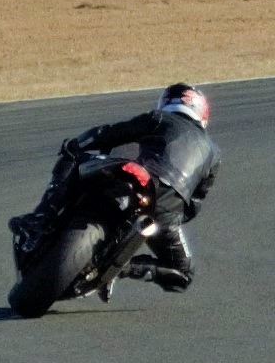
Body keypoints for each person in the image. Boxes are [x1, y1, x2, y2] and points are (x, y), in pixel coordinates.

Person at [17, 84, 220, 292]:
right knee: (183, 273)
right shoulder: (214, 154)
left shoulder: (159, 118)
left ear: (166, 103)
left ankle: (41, 218)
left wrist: (76, 144)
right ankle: (123, 268)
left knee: (74, 159)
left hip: (138, 178)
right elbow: (194, 204)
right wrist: (171, 218)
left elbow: (110, 133)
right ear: (202, 112)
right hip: (166, 208)